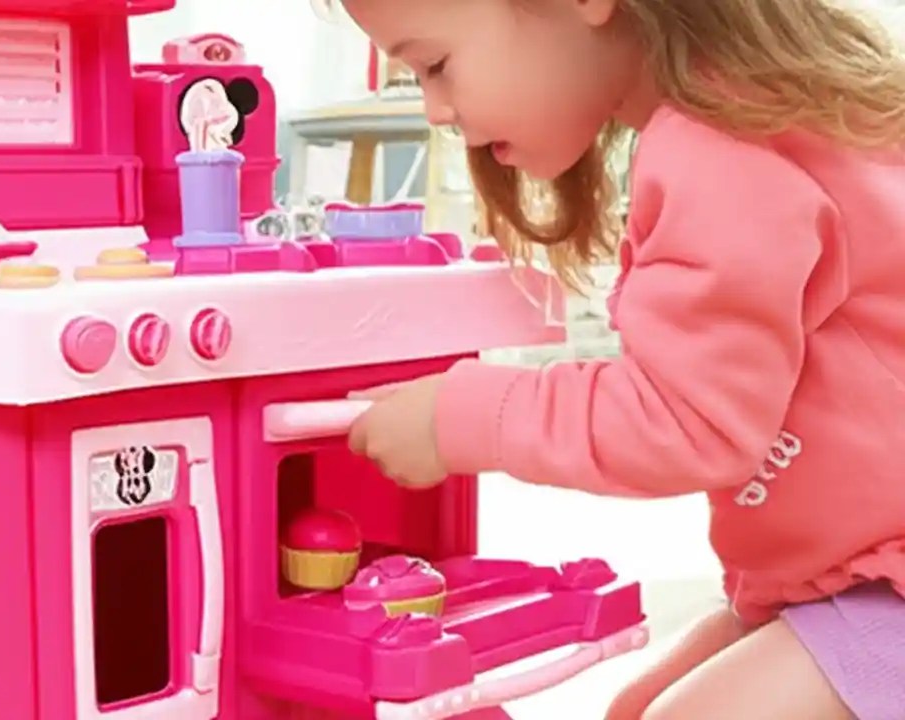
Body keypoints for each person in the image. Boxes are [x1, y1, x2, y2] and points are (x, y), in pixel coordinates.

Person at [337, 0, 905, 718]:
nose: (435, 110)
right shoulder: (750, 117)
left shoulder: (722, 149)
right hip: (849, 575)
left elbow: (688, 421)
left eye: (436, 65)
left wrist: (464, 417)